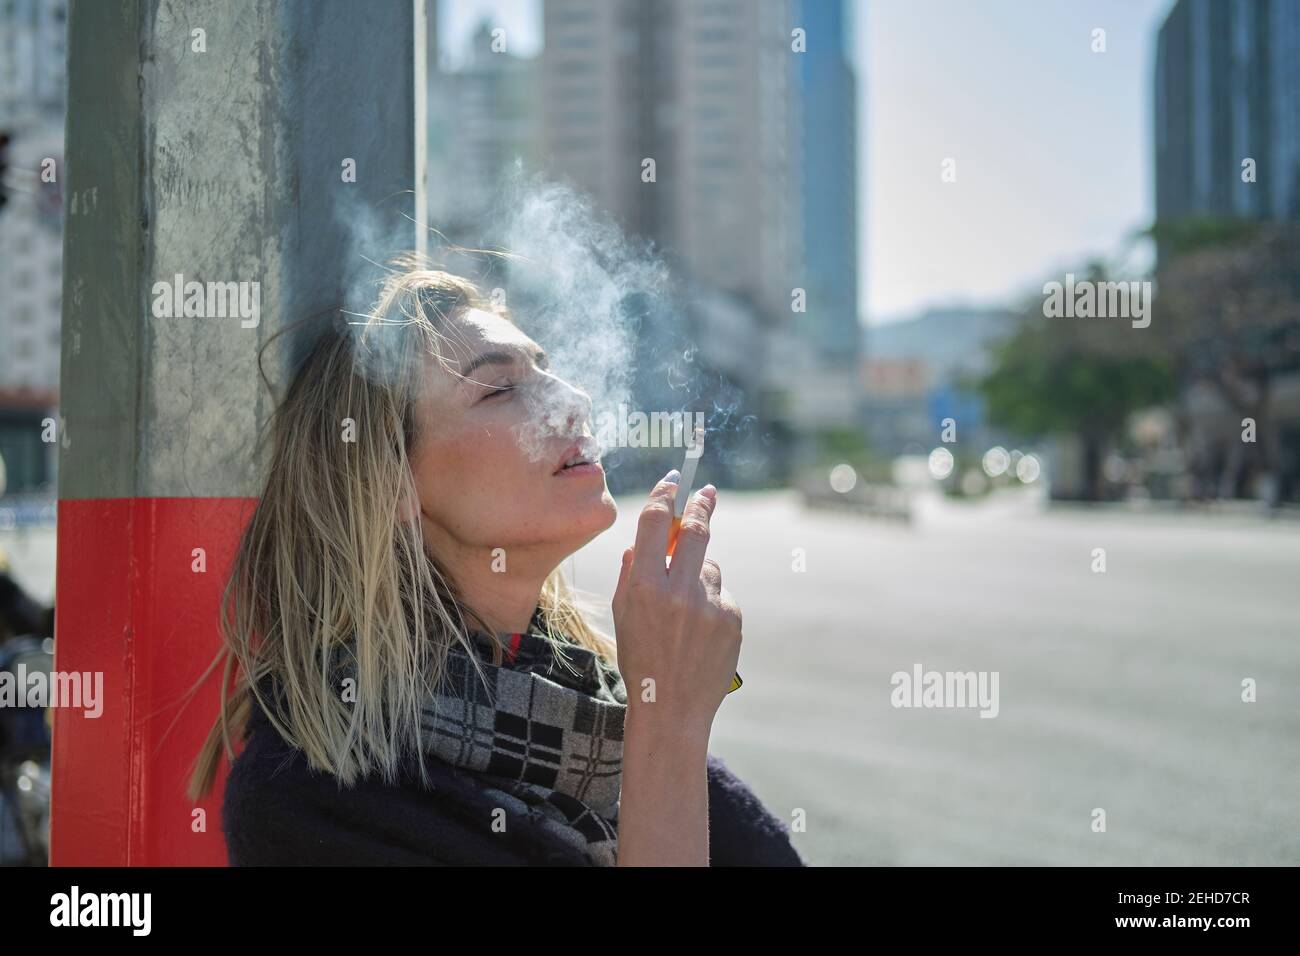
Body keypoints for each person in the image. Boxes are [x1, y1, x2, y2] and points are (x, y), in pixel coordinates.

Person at [186, 254, 804, 866]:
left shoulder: (597, 711)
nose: (574, 400)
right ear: (390, 481)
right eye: (501, 388)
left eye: (546, 370)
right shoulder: (311, 797)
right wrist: (669, 719)